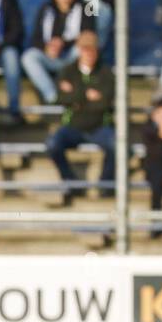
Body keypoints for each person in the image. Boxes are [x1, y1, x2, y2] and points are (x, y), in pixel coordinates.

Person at [44, 31, 114, 206]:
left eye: (92, 50)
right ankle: (72, 183)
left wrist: (75, 96)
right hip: (73, 126)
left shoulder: (106, 73)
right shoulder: (68, 71)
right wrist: (86, 94)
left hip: (99, 126)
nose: (89, 54)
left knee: (117, 145)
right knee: (52, 144)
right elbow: (59, 98)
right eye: (85, 49)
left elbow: (105, 102)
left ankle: (105, 186)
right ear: (79, 50)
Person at [21, 0, 95, 104]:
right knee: (29, 57)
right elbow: (36, 38)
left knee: (83, 49)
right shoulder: (46, 9)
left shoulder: (85, 8)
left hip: (72, 56)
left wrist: (63, 44)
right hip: (50, 56)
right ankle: (53, 97)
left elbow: (88, 34)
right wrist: (47, 47)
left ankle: (81, 95)